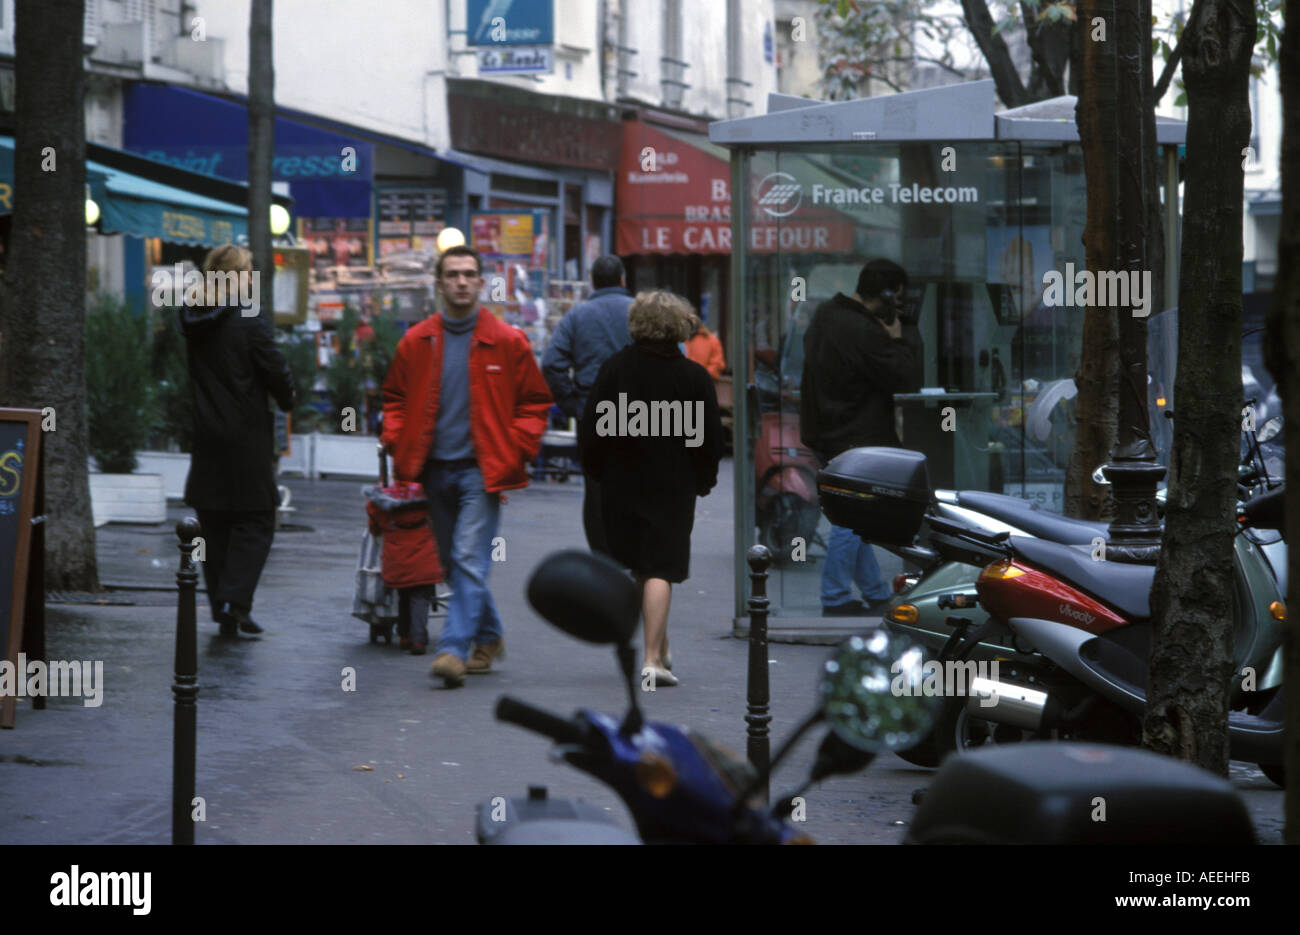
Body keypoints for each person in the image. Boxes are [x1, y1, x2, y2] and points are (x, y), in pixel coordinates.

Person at [381, 244, 553, 687]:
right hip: (433, 468)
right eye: (452, 274)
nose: (461, 281)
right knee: (453, 562)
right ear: (439, 283)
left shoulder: (508, 341)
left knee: (467, 557)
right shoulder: (416, 341)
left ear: (481, 282)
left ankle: (452, 650)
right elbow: (394, 399)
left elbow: (536, 403)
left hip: (483, 470)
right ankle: (489, 635)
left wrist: (515, 450)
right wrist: (395, 439)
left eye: (469, 274)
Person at [580, 291, 724, 687]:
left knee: (641, 566)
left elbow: (592, 431)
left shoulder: (614, 370)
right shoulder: (693, 377)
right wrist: (704, 479)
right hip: (672, 485)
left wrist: (597, 472)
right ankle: (651, 661)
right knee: (660, 567)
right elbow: (709, 439)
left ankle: (658, 645)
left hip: (620, 484)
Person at [181, 244, 295, 637]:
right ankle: (235, 600)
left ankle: (223, 605)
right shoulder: (249, 318)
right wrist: (288, 397)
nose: (252, 277)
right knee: (258, 517)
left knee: (213, 519)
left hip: (207, 432)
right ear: (235, 277)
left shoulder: (193, 317)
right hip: (246, 434)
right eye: (249, 270)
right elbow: (274, 369)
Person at [800, 258, 924, 617]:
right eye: (897, 298)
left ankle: (873, 591)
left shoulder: (826, 314)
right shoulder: (862, 329)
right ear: (887, 295)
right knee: (851, 520)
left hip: (825, 430)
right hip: (855, 434)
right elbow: (904, 376)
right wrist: (903, 334)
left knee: (853, 513)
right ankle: (835, 596)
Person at [541, 255, 633, 554]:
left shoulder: (577, 316)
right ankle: (634, 554)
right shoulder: (641, 313)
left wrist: (572, 404)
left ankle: (604, 560)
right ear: (623, 280)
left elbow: (552, 363)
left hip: (594, 415)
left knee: (597, 492)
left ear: (592, 282)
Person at [685, 311, 725, 378]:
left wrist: (703, 377)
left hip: (703, 382)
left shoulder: (711, 340)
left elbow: (717, 363)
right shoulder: (680, 339)